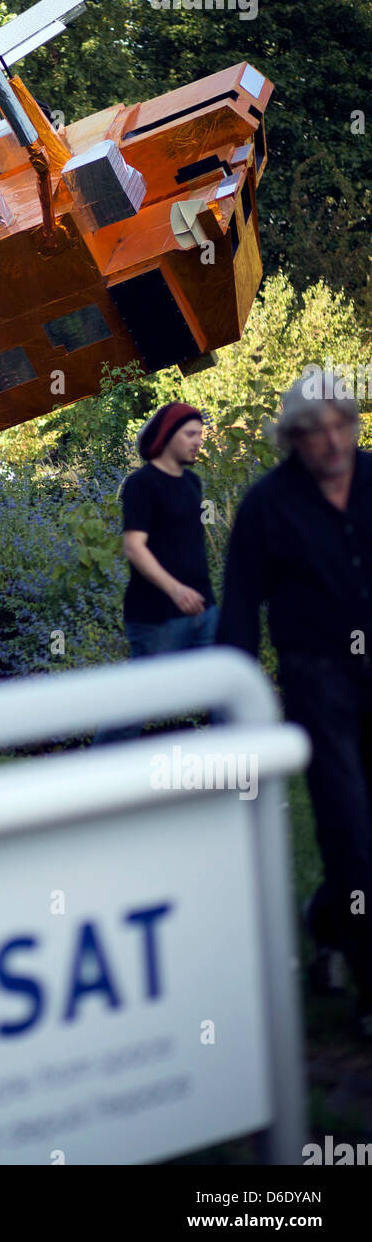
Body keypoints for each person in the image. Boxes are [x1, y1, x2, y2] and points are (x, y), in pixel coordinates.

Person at [218, 370, 372, 1038]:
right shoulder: (267, 506)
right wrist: (237, 709)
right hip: (318, 681)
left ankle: (327, 923)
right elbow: (240, 606)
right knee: (346, 827)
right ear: (292, 440)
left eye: (341, 424)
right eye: (315, 432)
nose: (332, 441)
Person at [95, 401, 218, 741]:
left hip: (205, 609)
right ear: (167, 436)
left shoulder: (193, 483)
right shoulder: (142, 484)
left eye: (200, 435)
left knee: (226, 690)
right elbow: (134, 546)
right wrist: (175, 590)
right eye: (190, 434)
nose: (198, 441)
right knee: (137, 705)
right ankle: (97, 774)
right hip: (158, 616)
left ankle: (241, 777)